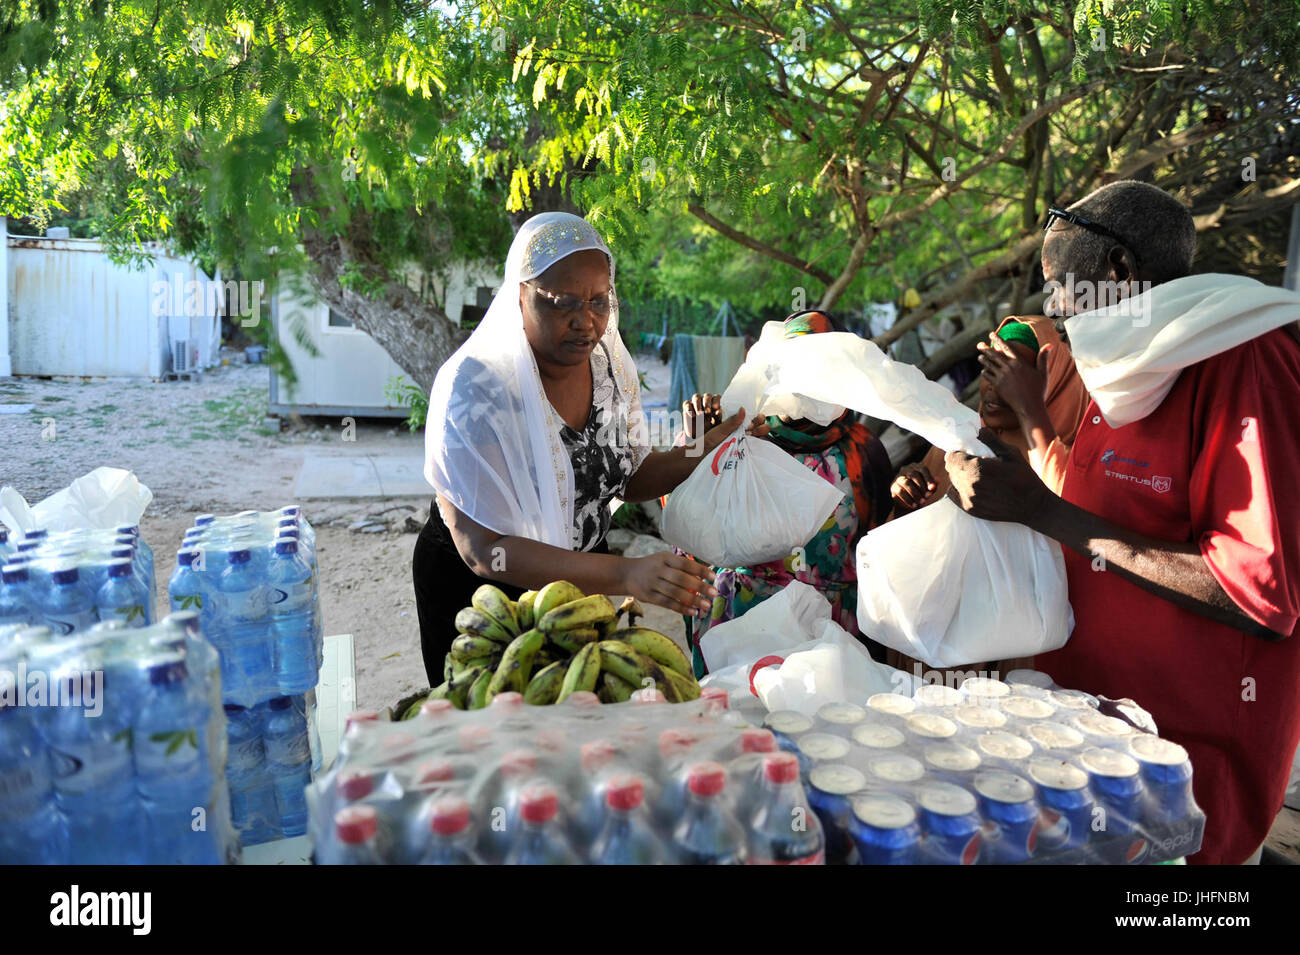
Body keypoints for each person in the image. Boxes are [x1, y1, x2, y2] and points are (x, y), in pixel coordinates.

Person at [943, 180, 1300, 865]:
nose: (1053, 309)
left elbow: (1258, 592)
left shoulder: (1242, 360)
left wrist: (1041, 509)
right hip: (1092, 756)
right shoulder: (1134, 370)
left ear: (1118, 273)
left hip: (1183, 783)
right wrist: (1025, 443)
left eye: (1058, 287)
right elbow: (1093, 510)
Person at [415, 212, 762, 684]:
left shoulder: (609, 368)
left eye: (600, 301)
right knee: (495, 733)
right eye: (563, 303)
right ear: (520, 293)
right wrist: (624, 575)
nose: (587, 322)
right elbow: (484, 548)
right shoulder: (475, 389)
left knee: (574, 718)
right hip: (485, 597)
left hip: (579, 577)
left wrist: (702, 450)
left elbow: (630, 475)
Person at [679, 311, 896, 672]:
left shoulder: (862, 451)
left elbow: (882, 552)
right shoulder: (740, 436)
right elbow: (689, 530)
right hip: (739, 632)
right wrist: (698, 447)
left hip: (828, 639)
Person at [890, 315, 1088, 515]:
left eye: (1014, 376)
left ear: (1057, 381)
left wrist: (1030, 411)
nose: (995, 387)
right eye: (991, 368)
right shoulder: (958, 438)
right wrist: (905, 502)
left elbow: (1063, 516)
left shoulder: (1085, 459)